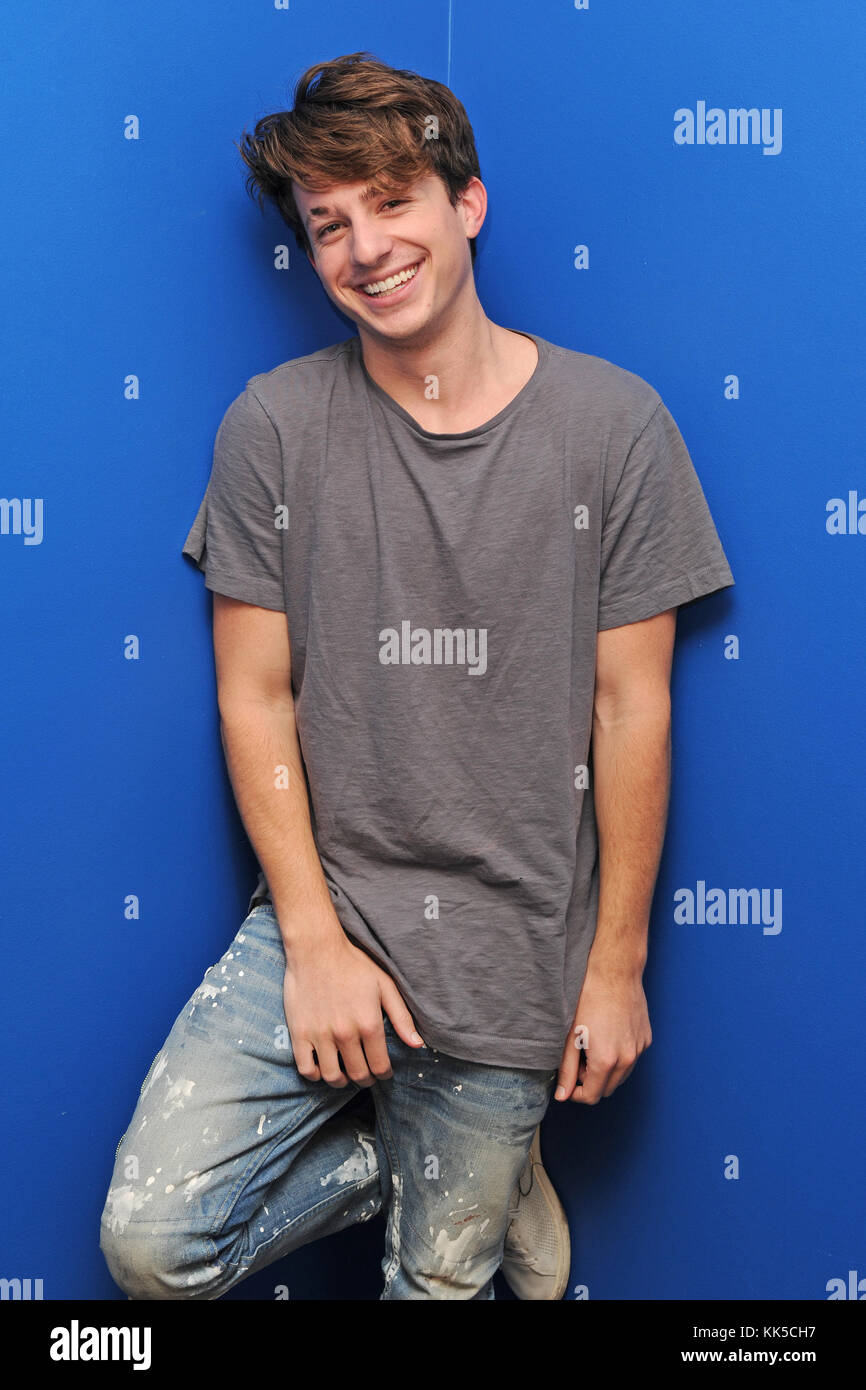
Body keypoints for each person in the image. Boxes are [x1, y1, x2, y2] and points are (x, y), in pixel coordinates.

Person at [98, 51, 735, 1302]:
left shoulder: (618, 428)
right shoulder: (271, 426)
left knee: (435, 1292)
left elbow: (630, 707)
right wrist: (314, 940)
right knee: (149, 1250)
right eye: (326, 224)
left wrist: (612, 970)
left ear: (466, 202)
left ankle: (472, 1174)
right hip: (331, 918)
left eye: (390, 200)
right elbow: (254, 694)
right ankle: (423, 1163)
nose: (363, 247)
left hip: (515, 955)